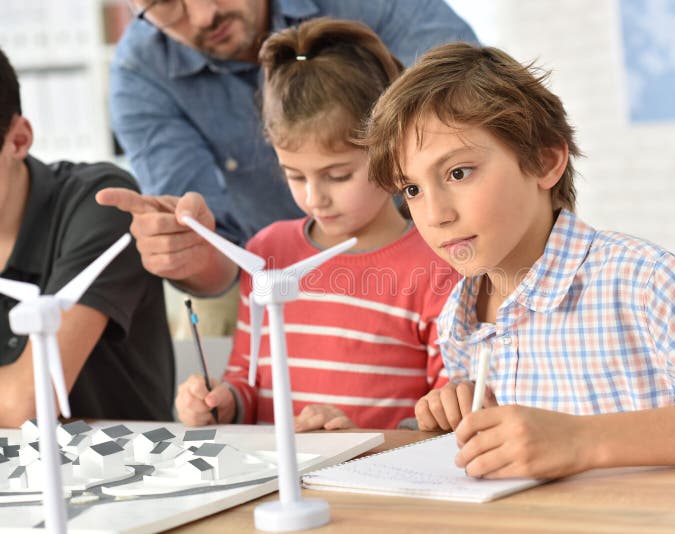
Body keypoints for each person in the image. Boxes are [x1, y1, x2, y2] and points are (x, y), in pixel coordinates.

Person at [364, 42, 675, 479]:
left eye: (458, 173)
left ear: (545, 162)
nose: (436, 215)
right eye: (412, 191)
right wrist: (454, 405)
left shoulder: (638, 280)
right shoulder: (460, 314)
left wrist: (581, 440)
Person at [101, 19, 460, 430]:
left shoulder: (436, 266)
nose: (315, 197)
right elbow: (248, 377)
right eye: (295, 175)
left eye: (338, 175)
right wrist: (224, 402)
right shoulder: (266, 252)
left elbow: (445, 415)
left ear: (391, 152)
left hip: (375, 485)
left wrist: (362, 438)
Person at [113, 0, 478, 246]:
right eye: (163, 1)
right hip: (259, 267)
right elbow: (212, 245)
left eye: (338, 174)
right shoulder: (138, 73)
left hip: (426, 233)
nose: (205, 14)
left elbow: (466, 105)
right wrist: (186, 251)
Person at [0, 49, 174, 426]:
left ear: (18, 140)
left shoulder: (101, 203)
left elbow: (26, 404)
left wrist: (16, 394)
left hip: (129, 474)